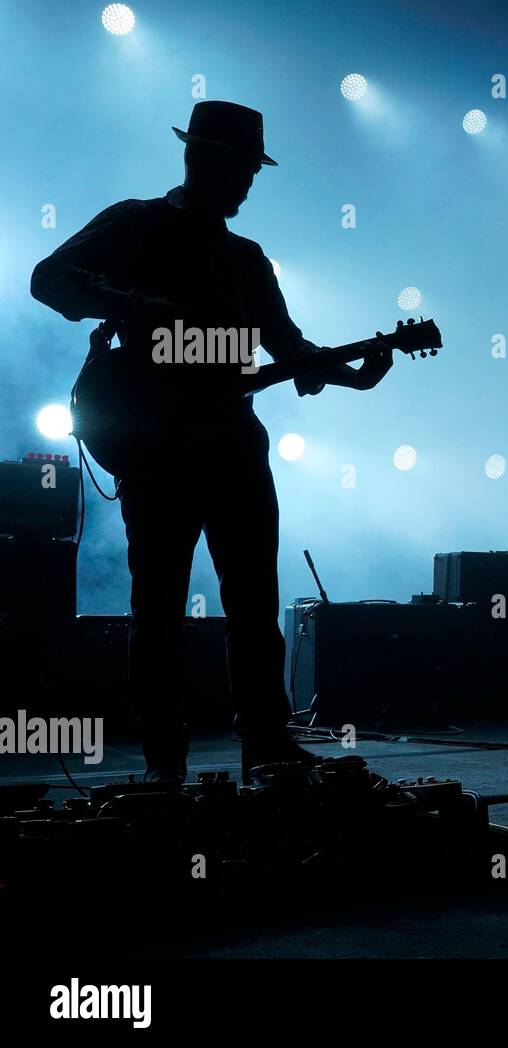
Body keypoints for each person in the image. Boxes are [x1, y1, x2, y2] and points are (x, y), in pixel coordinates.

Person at [31, 101, 393, 783]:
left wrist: (358, 376)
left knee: (254, 604)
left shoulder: (247, 260)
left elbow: (288, 351)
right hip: (160, 446)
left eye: (254, 170)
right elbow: (47, 279)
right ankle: (166, 760)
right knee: (159, 606)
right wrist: (131, 304)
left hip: (230, 443)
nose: (249, 183)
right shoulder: (136, 222)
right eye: (243, 168)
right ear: (203, 159)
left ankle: (268, 744)